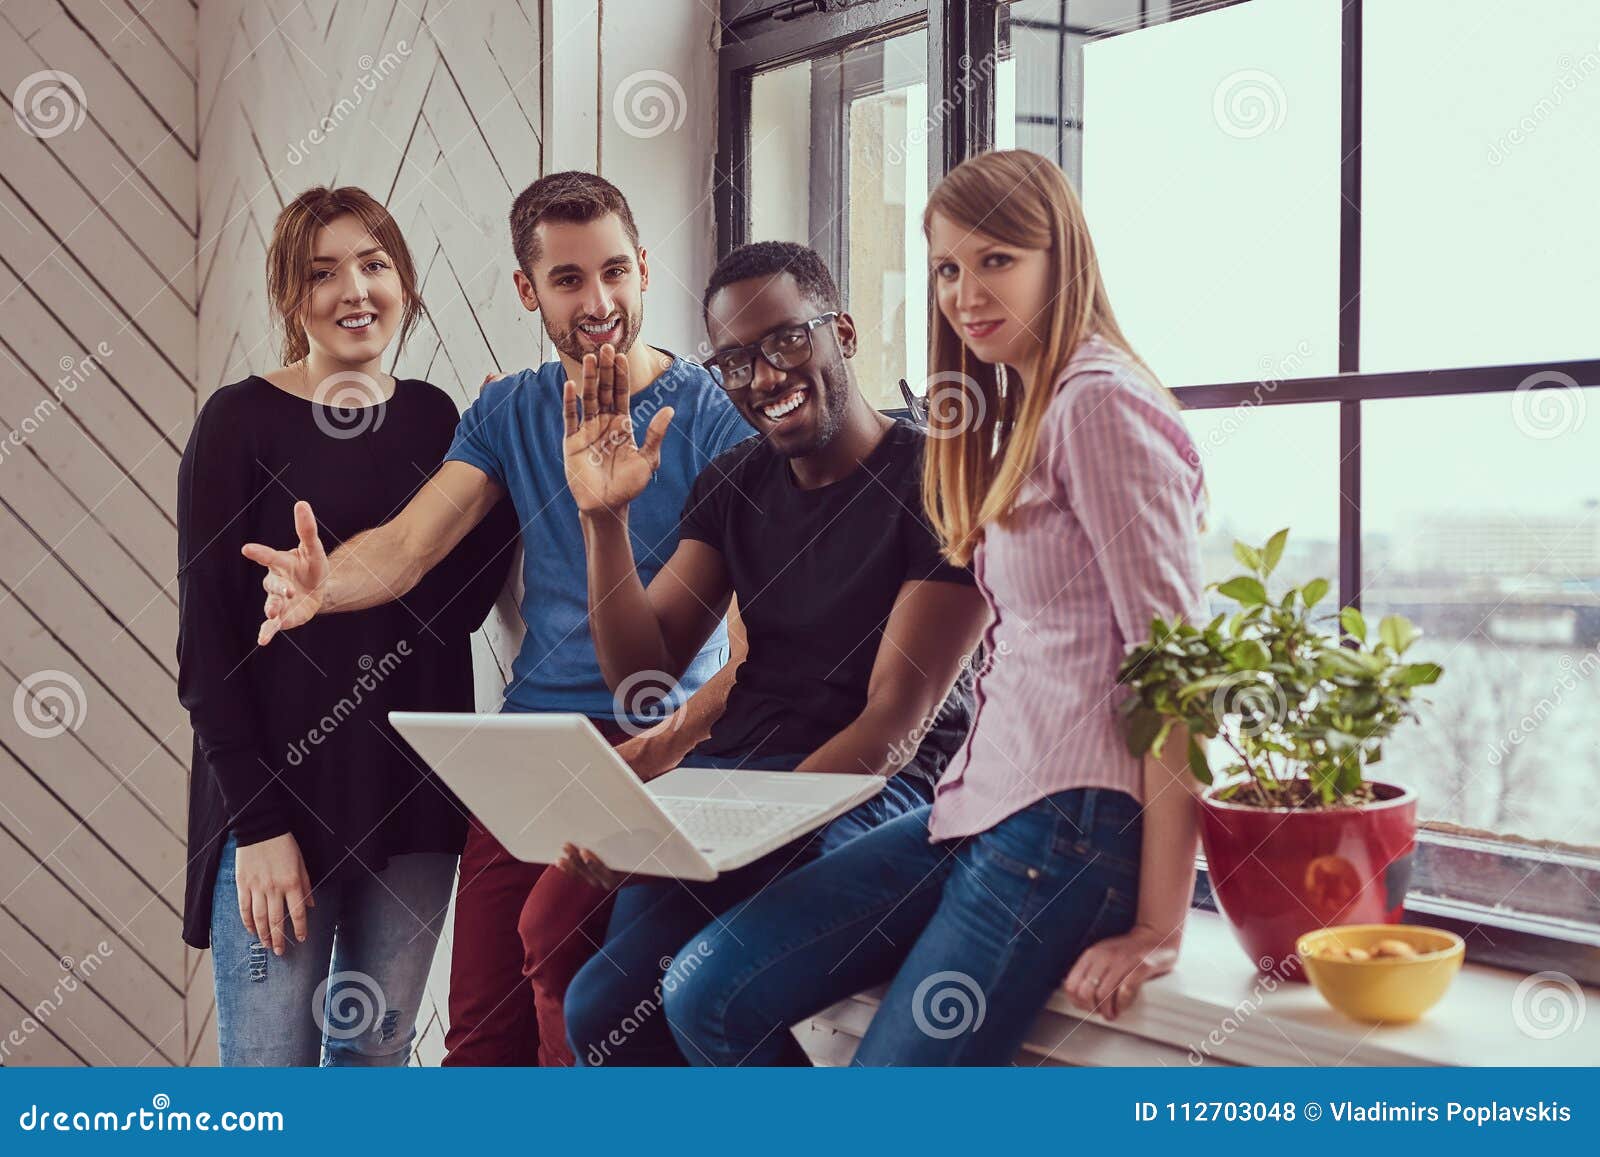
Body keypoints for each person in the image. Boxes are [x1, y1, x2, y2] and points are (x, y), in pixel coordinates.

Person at [662, 149, 1211, 1065]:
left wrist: (1161, 919)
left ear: (1061, 257)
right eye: (949, 268)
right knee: (707, 989)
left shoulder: (1101, 407)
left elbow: (1178, 670)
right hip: (978, 804)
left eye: (998, 260)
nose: (967, 292)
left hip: (1064, 827)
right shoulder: (1028, 413)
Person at [240, 172, 753, 1066]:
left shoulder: (715, 418)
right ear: (527, 291)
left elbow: (753, 640)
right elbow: (406, 547)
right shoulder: (508, 410)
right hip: (534, 752)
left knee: (585, 1009)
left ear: (644, 269)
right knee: (479, 1041)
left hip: (667, 752)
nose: (599, 302)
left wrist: (674, 744)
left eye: (616, 272)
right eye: (567, 280)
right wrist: (324, 586)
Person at [558, 241, 991, 1066]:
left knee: (709, 993)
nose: (763, 376)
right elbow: (640, 671)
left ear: (845, 334)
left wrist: (731, 828)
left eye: (787, 341)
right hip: (742, 778)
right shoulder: (732, 483)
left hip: (871, 794)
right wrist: (603, 521)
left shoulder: (937, 480)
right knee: (601, 1005)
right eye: (734, 360)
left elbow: (892, 725)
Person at [178, 186, 518, 1066]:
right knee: (269, 1082)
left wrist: (506, 459)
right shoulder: (237, 422)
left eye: (374, 264)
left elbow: (459, 606)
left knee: (371, 1070)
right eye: (323, 273)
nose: (355, 290)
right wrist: (256, 828)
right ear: (292, 298)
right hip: (278, 805)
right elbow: (206, 652)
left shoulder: (438, 418)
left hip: (412, 801)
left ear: (405, 277)